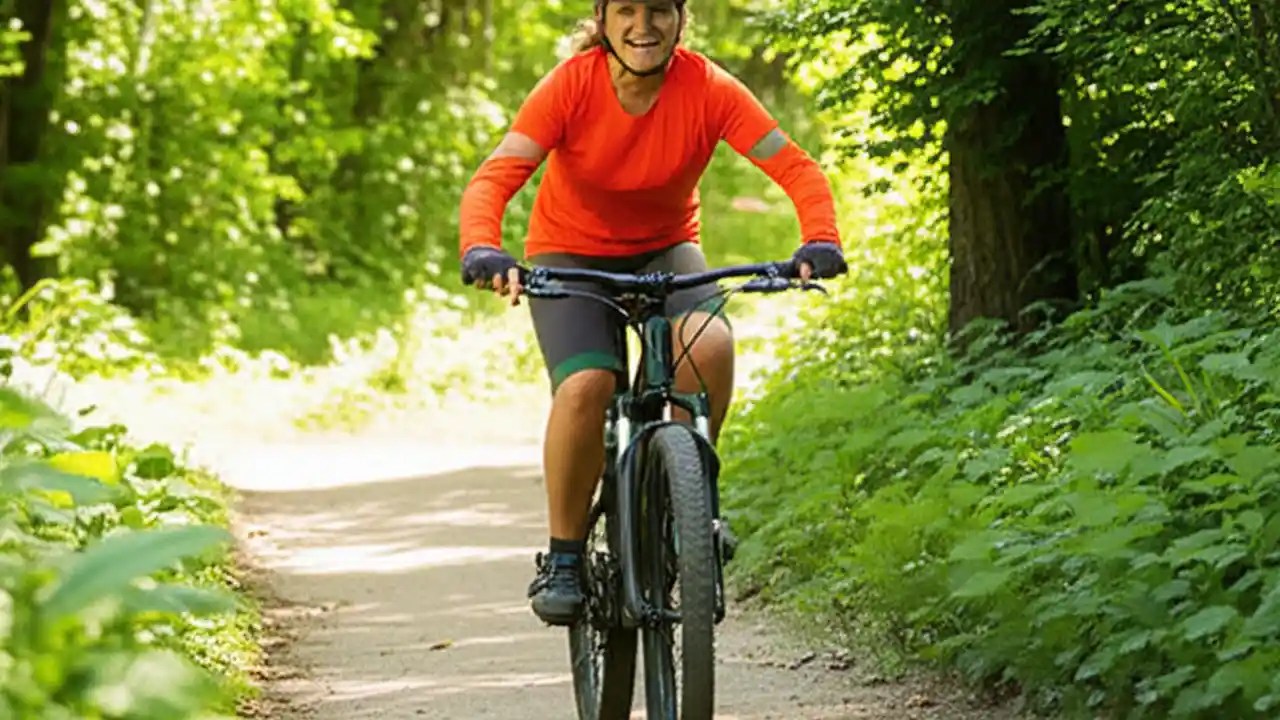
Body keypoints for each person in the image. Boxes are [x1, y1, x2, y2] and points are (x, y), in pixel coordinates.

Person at [456, 0, 847, 627]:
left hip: (666, 251)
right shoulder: (570, 86)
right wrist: (482, 247)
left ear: (681, 19)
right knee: (588, 384)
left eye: (660, 9)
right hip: (570, 254)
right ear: (603, 18)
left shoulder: (709, 88)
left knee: (709, 344)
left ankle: (688, 505)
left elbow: (796, 168)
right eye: (628, 10)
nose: (644, 26)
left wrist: (820, 238)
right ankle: (564, 556)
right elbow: (495, 177)